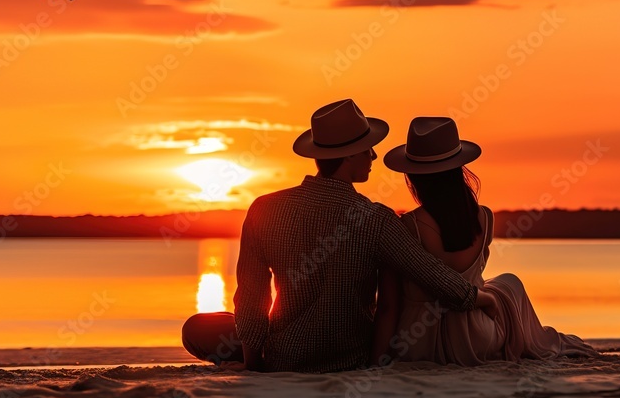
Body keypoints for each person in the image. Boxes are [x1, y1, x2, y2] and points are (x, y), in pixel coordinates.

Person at [181, 100, 498, 372]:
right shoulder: (376, 219)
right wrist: (484, 297)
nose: (373, 156)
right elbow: (437, 279)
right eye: (368, 150)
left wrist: (254, 367)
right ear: (349, 156)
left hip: (285, 356)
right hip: (348, 358)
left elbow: (252, 296)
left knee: (196, 329)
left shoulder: (264, 209)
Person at [373, 117, 597, 366]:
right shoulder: (484, 217)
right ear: (458, 170)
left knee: (503, 285)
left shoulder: (408, 226)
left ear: (413, 177)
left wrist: (377, 360)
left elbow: (388, 305)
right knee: (509, 284)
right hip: (477, 338)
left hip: (419, 342)